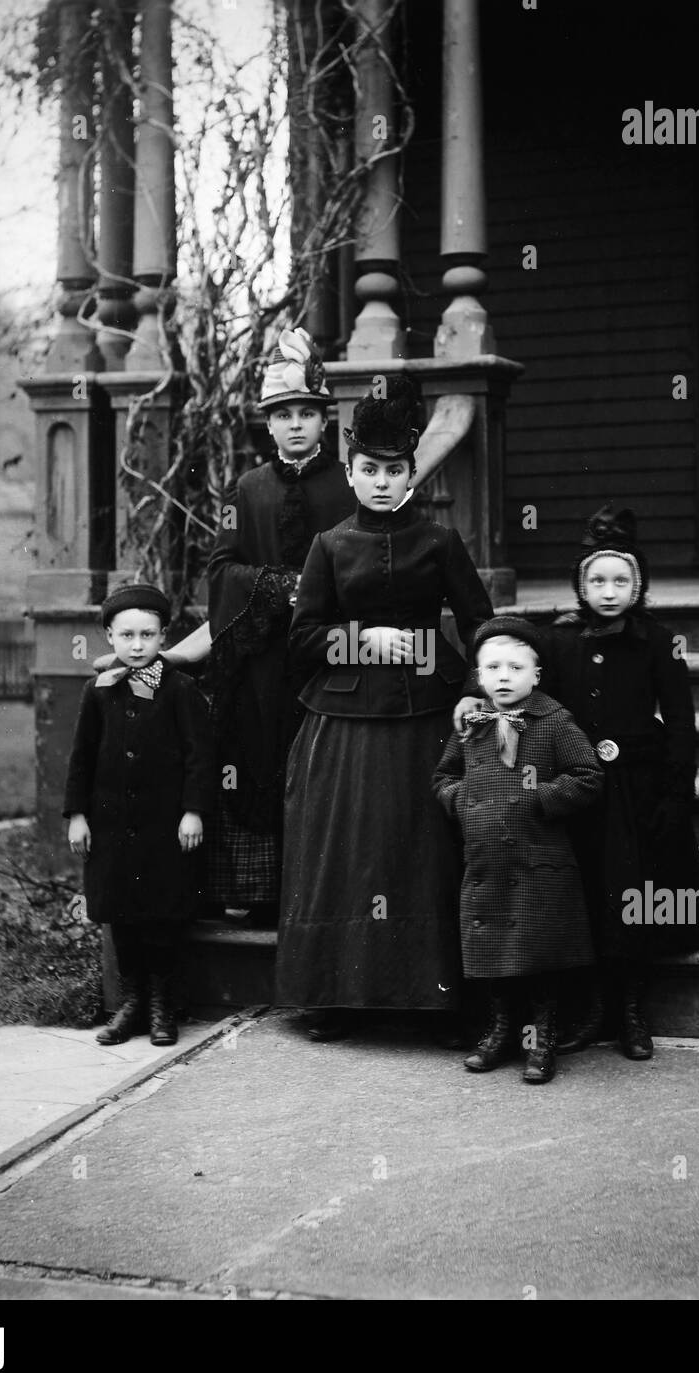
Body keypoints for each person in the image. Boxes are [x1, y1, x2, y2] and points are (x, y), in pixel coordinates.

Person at [276, 376, 494, 1041]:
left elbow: (481, 624)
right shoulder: (330, 545)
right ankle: (334, 997)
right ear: (349, 471)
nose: (380, 482)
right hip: (345, 724)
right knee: (347, 856)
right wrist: (360, 638)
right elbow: (302, 639)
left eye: (393, 470)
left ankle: (439, 1001)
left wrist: (472, 693)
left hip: (428, 716)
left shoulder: (440, 542)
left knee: (424, 854)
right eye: (368, 469)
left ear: (410, 474)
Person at [459, 505, 699, 1061]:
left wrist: (675, 795)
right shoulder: (557, 641)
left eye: (621, 580)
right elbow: (509, 668)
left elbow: (682, 726)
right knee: (581, 898)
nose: (608, 591)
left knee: (630, 898)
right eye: (597, 580)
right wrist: (473, 695)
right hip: (577, 789)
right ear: (580, 584)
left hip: (635, 792)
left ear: (638, 584)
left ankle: (630, 1010)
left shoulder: (658, 642)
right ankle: (590, 1006)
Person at [157, 327, 354, 924]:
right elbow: (221, 569)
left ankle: (320, 890)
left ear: (325, 421)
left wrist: (316, 594)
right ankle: (264, 891)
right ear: (268, 426)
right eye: (283, 416)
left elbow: (363, 562)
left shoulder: (348, 485)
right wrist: (277, 585)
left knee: (321, 764)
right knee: (257, 758)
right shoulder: (247, 490)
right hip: (261, 654)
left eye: (307, 414)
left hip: (327, 654)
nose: (296, 425)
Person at [433, 618, 603, 1083]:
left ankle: (542, 1038)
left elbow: (587, 776)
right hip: (486, 859)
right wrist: (460, 800)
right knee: (492, 954)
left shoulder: (554, 721)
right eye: (493, 668)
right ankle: (501, 1031)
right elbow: (443, 777)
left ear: (536, 675)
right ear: (479, 676)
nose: (504, 676)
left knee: (538, 956)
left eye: (515, 667)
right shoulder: (471, 725)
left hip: (537, 861)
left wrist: (537, 798)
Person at [64, 584, 216, 1047]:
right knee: (123, 918)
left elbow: (199, 758)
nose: (136, 645)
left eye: (147, 635)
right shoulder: (98, 692)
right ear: (109, 636)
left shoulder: (180, 690)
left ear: (163, 636)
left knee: (162, 918)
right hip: (111, 830)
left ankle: (161, 1007)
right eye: (126, 635)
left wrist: (193, 811)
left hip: (163, 830)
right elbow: (81, 758)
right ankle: (130, 1003)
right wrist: (77, 815)